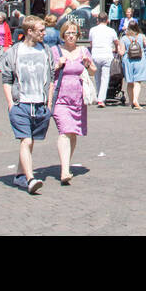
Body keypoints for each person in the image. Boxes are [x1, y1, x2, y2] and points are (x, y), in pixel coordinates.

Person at [0, 16, 56, 195]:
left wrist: (48, 103)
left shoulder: (46, 51)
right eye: (41, 30)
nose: (44, 33)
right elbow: (7, 79)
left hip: (39, 104)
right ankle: (30, 179)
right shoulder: (15, 52)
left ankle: (19, 175)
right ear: (29, 32)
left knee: (29, 142)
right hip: (21, 103)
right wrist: (10, 103)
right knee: (27, 140)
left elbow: (52, 78)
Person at [50, 21, 92, 183]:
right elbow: (49, 71)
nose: (71, 36)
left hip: (78, 98)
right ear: (62, 35)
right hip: (60, 97)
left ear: (78, 35)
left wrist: (88, 65)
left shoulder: (83, 51)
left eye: (73, 33)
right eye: (67, 33)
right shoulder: (56, 51)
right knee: (64, 130)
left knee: (73, 133)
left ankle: (66, 163)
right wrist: (57, 65)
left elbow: (93, 70)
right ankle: (65, 170)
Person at [87, 12, 120, 108]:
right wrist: (116, 50)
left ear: (97, 20)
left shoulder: (93, 30)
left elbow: (91, 43)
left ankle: (98, 95)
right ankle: (101, 99)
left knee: (97, 77)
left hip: (96, 54)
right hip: (107, 54)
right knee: (105, 78)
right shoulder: (111, 30)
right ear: (107, 20)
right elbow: (116, 42)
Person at [120, 19, 146, 110]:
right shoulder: (141, 36)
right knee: (137, 82)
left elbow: (121, 52)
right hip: (140, 60)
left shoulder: (124, 38)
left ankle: (130, 101)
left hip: (128, 60)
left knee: (130, 82)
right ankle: (136, 100)